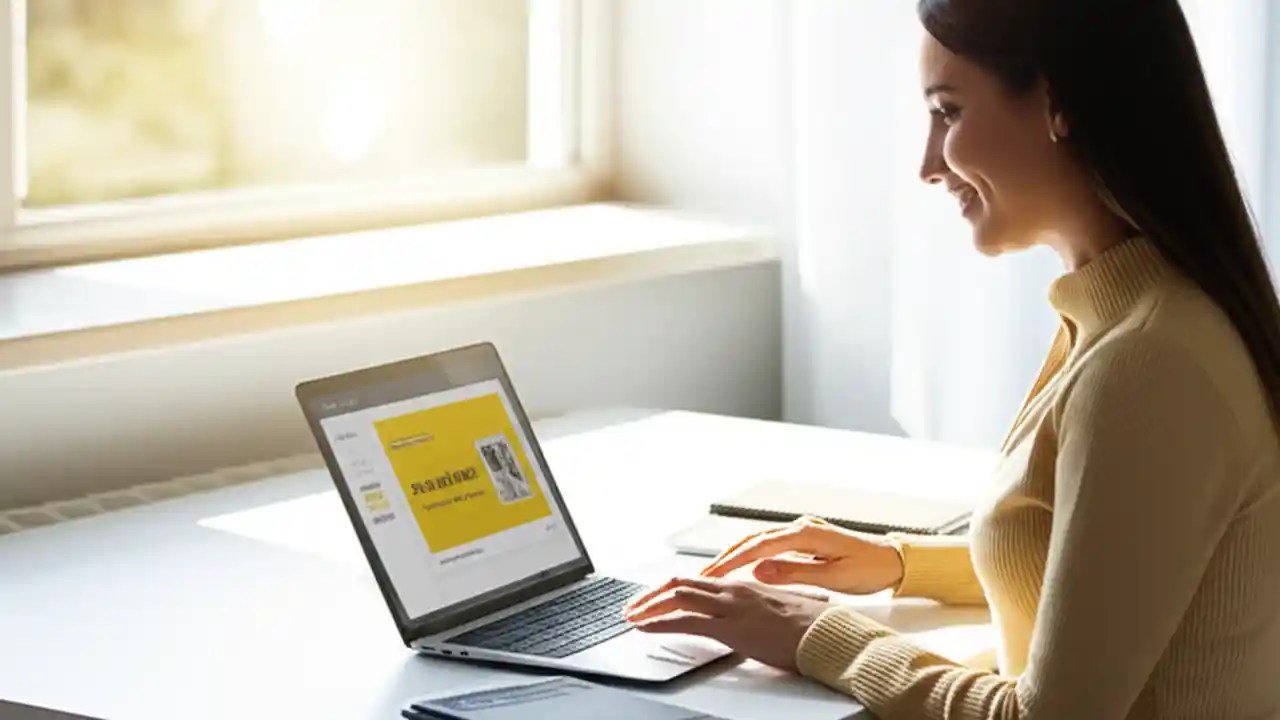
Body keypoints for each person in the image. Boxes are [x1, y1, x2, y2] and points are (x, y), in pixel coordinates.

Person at [624, 0, 1280, 717]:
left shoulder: (1150, 364)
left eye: (948, 113)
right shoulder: (1132, 316)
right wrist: (901, 564)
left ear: (1058, 102)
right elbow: (1113, 573)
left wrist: (815, 632)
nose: (927, 165)